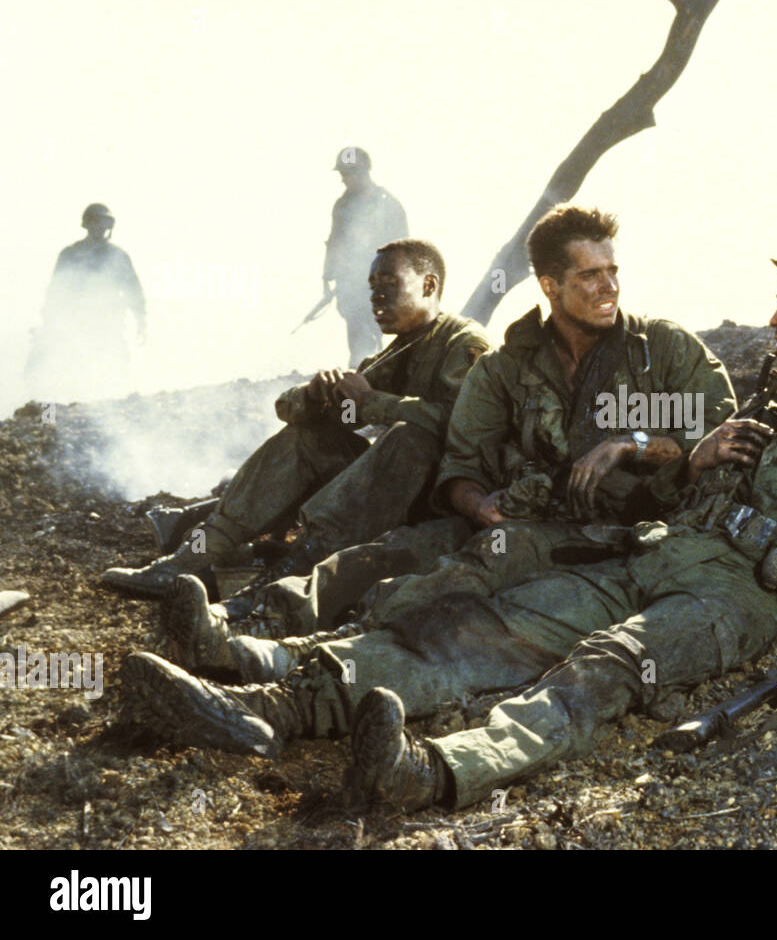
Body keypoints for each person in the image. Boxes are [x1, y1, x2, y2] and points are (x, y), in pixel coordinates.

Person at [121, 236, 777, 814]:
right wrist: (696, 458)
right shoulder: (773, 400)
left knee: (603, 667)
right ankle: (275, 701)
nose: (776, 317)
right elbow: (671, 497)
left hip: (748, 596)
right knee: (494, 622)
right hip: (665, 551)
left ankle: (437, 770)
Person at [157, 205, 735, 683]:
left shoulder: (661, 348)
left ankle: (305, 661)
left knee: (447, 583)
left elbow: (716, 432)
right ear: (550, 285)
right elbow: (460, 464)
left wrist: (629, 443)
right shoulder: (507, 369)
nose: (608, 286)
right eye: (589, 275)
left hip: (623, 533)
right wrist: (476, 504)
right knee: (385, 555)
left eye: (612, 270)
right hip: (523, 518)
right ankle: (243, 616)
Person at [102, 239, 490, 598]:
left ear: (428, 285)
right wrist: (315, 395)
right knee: (311, 437)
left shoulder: (465, 342)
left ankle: (276, 584)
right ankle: (187, 560)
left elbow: (461, 426)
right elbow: (302, 411)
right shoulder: (397, 351)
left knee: (408, 438)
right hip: (388, 489)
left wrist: (372, 402)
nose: (376, 293)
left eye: (389, 281)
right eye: (372, 283)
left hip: (440, 500)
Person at [26, 203, 146, 401]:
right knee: (55, 376)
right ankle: (50, 420)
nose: (101, 227)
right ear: (88, 224)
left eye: (104, 223)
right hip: (74, 324)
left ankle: (109, 418)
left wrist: (141, 320)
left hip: (109, 324)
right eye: (97, 222)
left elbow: (134, 289)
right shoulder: (70, 255)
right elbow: (56, 291)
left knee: (114, 373)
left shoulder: (117, 256)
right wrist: (50, 324)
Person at [321, 147, 409, 366]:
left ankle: (367, 377)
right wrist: (327, 276)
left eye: (346, 174)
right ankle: (361, 373)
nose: (343, 180)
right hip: (350, 286)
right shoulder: (342, 205)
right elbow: (335, 242)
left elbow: (404, 247)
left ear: (361, 172)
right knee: (358, 332)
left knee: (374, 335)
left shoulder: (388, 204)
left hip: (380, 283)